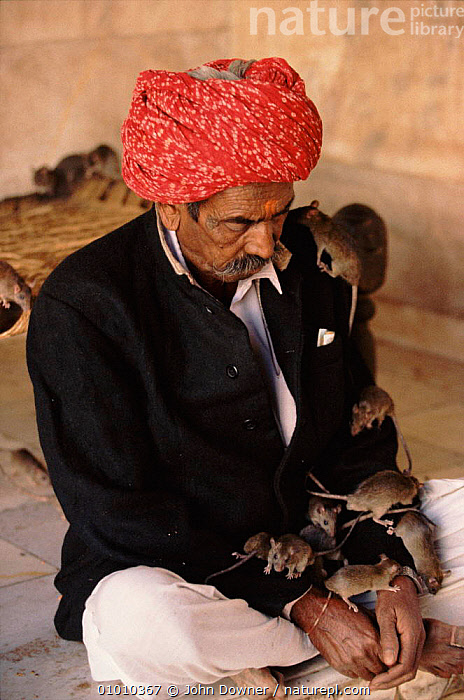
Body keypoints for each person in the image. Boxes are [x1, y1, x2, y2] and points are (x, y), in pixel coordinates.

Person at [26, 58, 463, 699]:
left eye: (278, 213)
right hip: (188, 570)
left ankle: (345, 650)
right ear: (172, 207)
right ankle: (359, 646)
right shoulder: (86, 305)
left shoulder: (308, 263)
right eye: (239, 222)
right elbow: (118, 513)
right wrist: (307, 606)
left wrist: (392, 569)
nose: (266, 242)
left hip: (323, 541)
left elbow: (356, 436)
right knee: (140, 622)